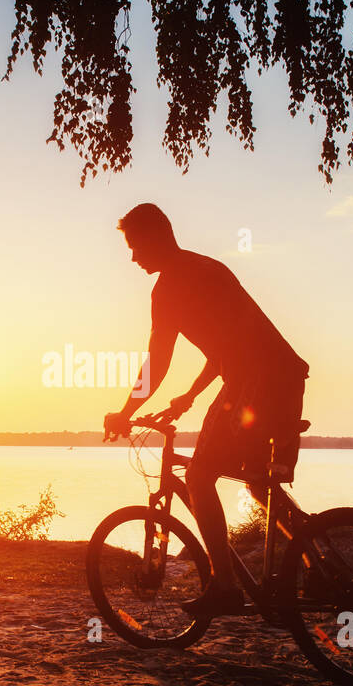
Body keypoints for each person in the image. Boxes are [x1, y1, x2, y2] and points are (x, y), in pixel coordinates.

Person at [104, 203, 310, 617]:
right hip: (285, 378)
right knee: (257, 484)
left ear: (155, 237)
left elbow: (157, 363)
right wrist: (190, 397)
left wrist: (124, 412)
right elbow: (226, 347)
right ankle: (317, 555)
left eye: (134, 246)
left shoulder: (167, 288)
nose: (132, 257)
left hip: (254, 385)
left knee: (198, 477)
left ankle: (225, 587)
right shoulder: (208, 267)